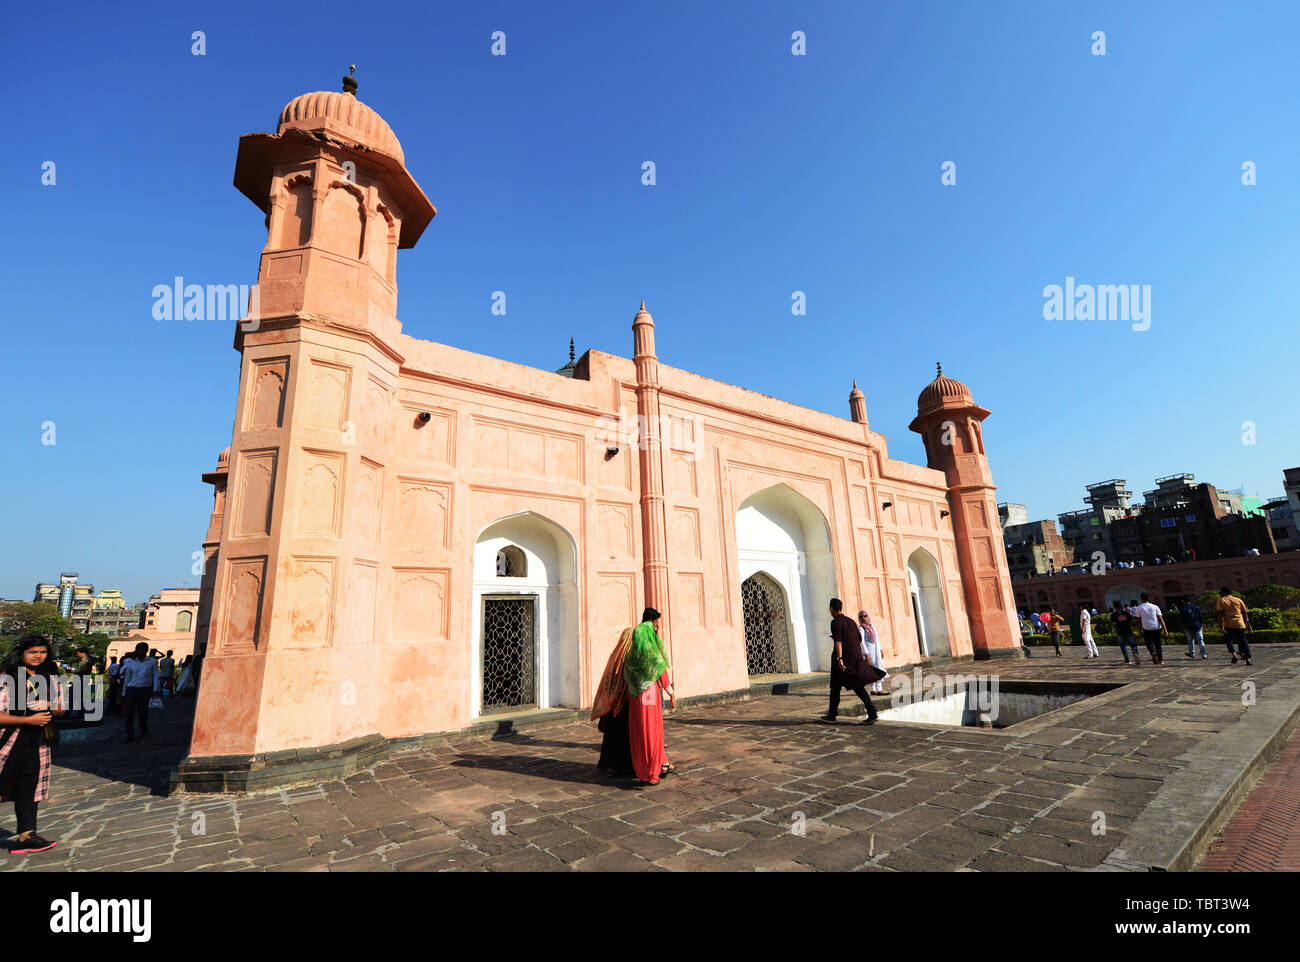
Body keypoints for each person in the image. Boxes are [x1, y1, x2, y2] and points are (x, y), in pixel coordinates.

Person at [0, 636, 67, 855]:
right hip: (8, 741)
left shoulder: (49, 679)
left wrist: (49, 704)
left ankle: (26, 835)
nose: (38, 656)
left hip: (37, 743)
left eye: (42, 652)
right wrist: (26, 720)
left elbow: (60, 709)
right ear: (21, 653)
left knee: (29, 788)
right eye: (32, 652)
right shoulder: (7, 678)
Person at [623, 608, 674, 785]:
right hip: (651, 696)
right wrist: (672, 694)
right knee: (652, 733)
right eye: (655, 625)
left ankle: (644, 770)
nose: (657, 629)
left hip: (636, 698)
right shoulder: (652, 654)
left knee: (639, 734)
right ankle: (653, 774)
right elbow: (662, 674)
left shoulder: (632, 656)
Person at [820, 599, 883, 724]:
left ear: (831, 609)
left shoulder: (835, 622)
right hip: (854, 659)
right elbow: (858, 639)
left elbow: (838, 641)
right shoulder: (851, 621)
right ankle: (832, 714)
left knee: (851, 687)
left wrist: (839, 658)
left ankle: (872, 713)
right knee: (837, 687)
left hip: (843, 660)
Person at [591, 624, 636, 778]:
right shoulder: (630, 656)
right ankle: (622, 766)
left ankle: (610, 765)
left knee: (612, 736)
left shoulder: (615, 654)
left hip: (612, 703)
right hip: (624, 703)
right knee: (624, 736)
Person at [120, 642, 158, 743]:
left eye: (144, 650)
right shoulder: (131, 664)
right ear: (136, 650)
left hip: (146, 690)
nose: (141, 652)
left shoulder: (152, 662)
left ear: (147, 651)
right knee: (129, 714)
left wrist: (155, 689)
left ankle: (143, 729)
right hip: (132, 689)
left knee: (143, 713)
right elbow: (127, 679)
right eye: (139, 650)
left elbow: (155, 675)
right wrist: (123, 694)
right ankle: (130, 735)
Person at [1215, 587, 1253, 665]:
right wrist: (1248, 624)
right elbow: (1244, 613)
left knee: (1228, 640)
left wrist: (1221, 625)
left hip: (1228, 624)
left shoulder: (1221, 600)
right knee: (1243, 641)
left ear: (1223, 593)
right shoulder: (1238, 600)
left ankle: (1234, 655)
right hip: (1240, 623)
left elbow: (1220, 614)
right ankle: (1248, 659)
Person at [857, 609, 889, 695]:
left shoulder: (872, 626)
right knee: (874, 670)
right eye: (861, 617)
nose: (863, 618)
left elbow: (877, 640)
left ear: (868, 617)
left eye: (865, 616)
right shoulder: (861, 628)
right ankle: (878, 689)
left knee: (877, 668)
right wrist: (866, 654)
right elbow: (862, 642)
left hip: (876, 650)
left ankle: (874, 689)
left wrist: (880, 649)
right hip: (869, 652)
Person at [1136, 592, 1168, 665]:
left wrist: (1140, 630)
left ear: (1141, 599)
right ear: (1148, 598)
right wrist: (1165, 630)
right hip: (1156, 627)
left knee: (1148, 643)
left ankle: (1152, 652)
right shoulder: (1155, 606)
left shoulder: (1139, 607)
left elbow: (1139, 621)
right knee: (1158, 644)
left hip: (1146, 627)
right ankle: (1161, 660)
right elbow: (1160, 619)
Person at [1112, 600, 1140, 665]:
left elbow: (1113, 624)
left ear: (1114, 606)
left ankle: (1127, 660)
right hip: (1128, 630)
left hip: (1120, 631)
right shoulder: (1126, 613)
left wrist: (1117, 624)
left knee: (1123, 645)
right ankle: (1135, 653)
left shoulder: (1113, 615)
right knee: (1133, 644)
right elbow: (1132, 621)